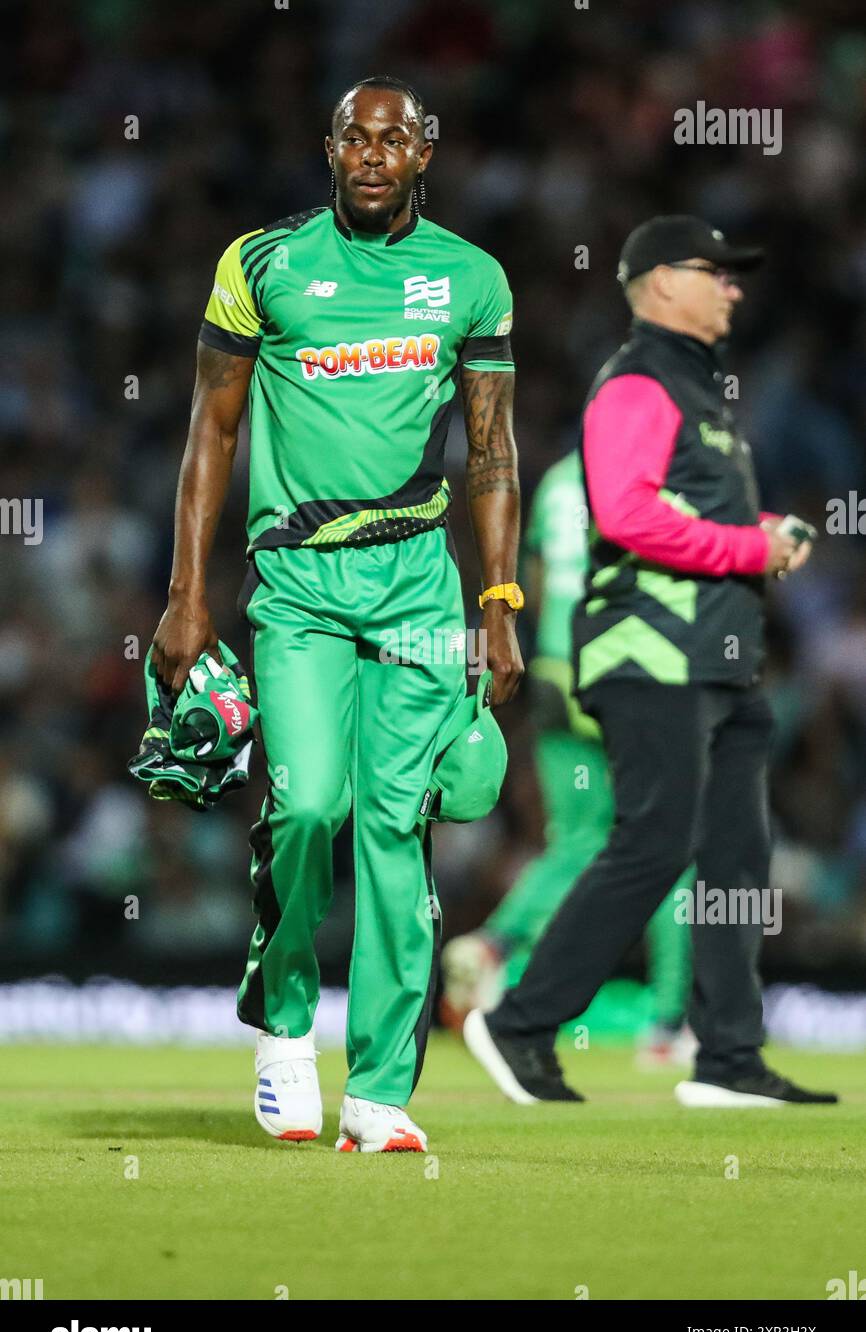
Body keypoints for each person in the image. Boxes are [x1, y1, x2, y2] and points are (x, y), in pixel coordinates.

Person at [151, 76, 523, 1153]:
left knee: (395, 827)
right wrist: (185, 596)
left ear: (425, 152)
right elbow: (208, 434)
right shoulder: (261, 263)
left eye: (392, 138)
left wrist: (498, 598)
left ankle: (378, 1087)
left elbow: (491, 447)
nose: (371, 154)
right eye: (353, 138)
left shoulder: (469, 279)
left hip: (416, 583)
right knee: (309, 804)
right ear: (327, 150)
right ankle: (279, 1023)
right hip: (300, 587)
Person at [464, 215, 838, 1108]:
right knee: (653, 841)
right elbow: (628, 516)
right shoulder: (638, 381)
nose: (735, 288)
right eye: (718, 272)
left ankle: (726, 1055)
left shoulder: (698, 390)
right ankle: (518, 1022)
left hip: (714, 660)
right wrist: (753, 545)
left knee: (737, 854)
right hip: (649, 651)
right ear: (663, 281)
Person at [441, 451, 694, 1065]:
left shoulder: (557, 477)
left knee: (579, 842)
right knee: (669, 843)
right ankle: (669, 1023)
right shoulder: (646, 474)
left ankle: (496, 943)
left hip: (553, 668)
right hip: (618, 665)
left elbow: (534, 566)